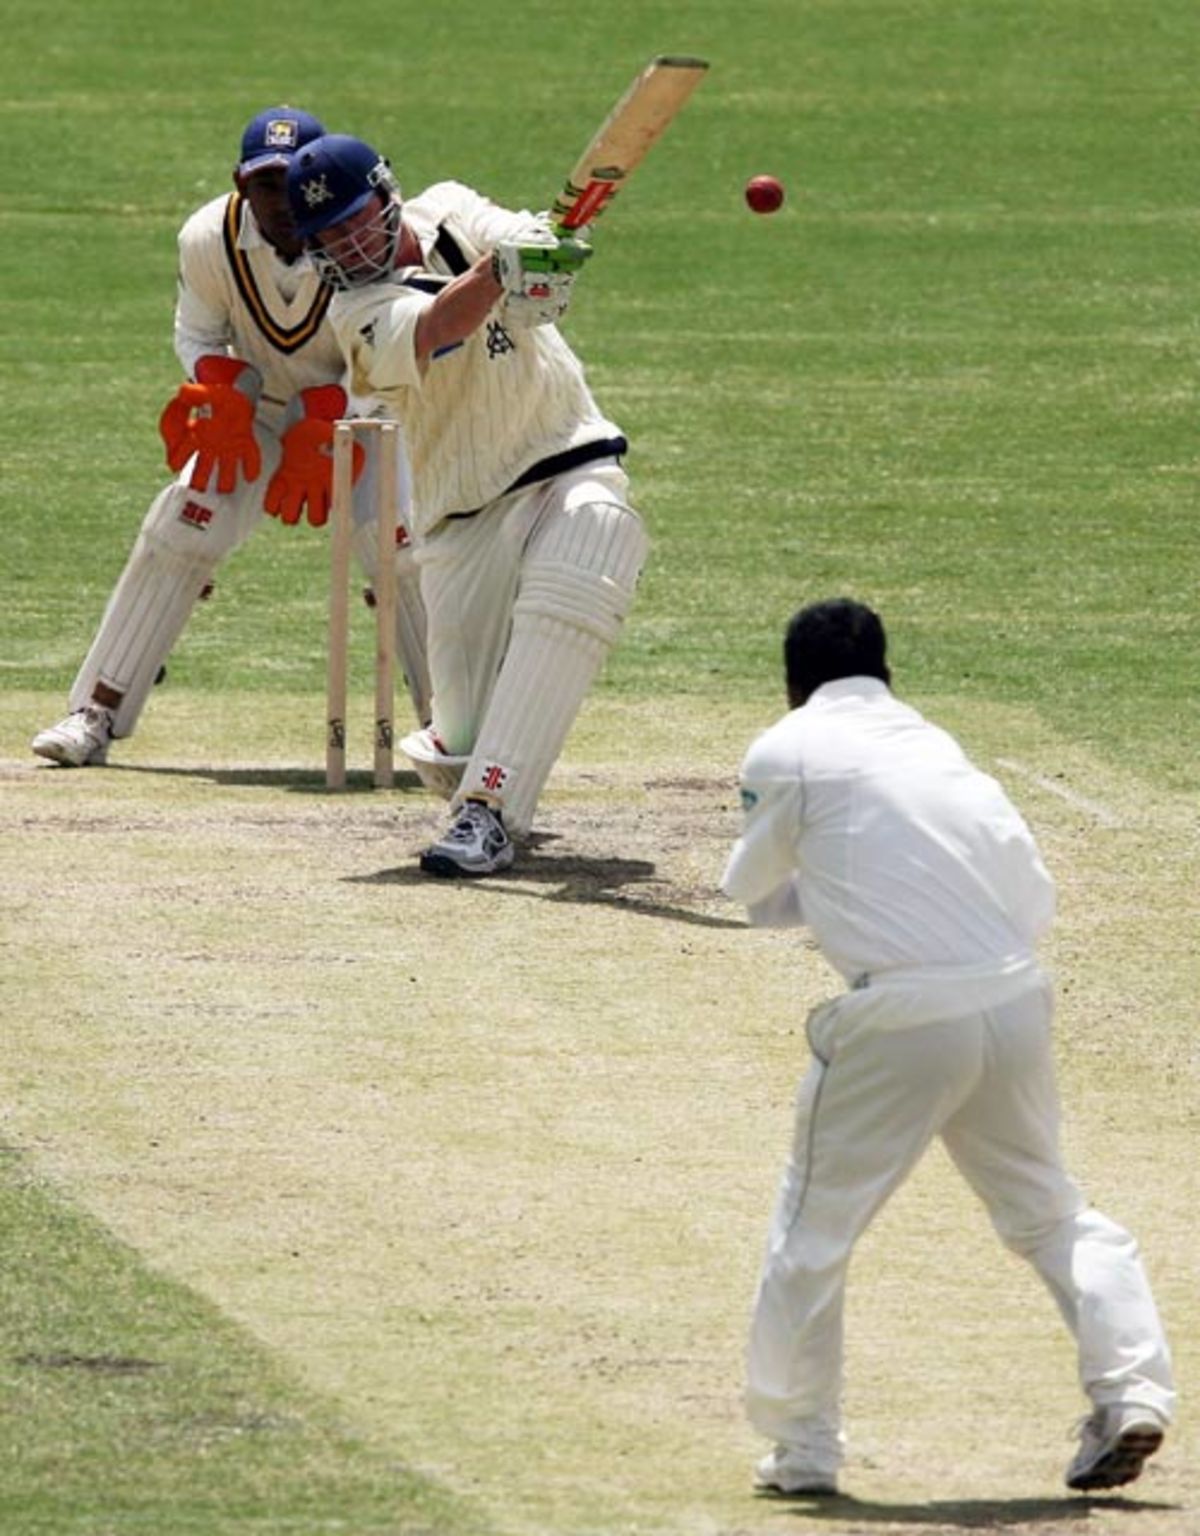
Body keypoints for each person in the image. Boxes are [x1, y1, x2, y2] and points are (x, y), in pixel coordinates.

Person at [722, 598, 1174, 1497]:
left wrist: (845, 892)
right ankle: (1132, 1392)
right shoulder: (938, 747)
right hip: (1011, 998)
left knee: (811, 1233)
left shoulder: (787, 745)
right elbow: (1031, 896)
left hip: (897, 1018)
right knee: (1052, 1211)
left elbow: (751, 888)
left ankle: (802, 1450)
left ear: (791, 680)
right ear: (887, 674)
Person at [283, 132, 648, 877]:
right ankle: (471, 769)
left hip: (563, 449)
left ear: (387, 196)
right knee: (466, 738)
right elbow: (442, 326)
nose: (351, 244)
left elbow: (517, 239)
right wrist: (503, 274)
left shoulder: (447, 206)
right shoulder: (353, 315)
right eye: (330, 237)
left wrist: (541, 253)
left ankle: (488, 816)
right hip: (462, 517)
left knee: (596, 540)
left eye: (357, 219)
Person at [32, 106, 430, 769]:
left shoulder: (361, 238)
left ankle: (451, 729)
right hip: (261, 416)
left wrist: (334, 418)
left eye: (294, 185)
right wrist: (219, 391)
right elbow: (196, 333)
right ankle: (95, 710)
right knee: (183, 523)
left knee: (396, 545)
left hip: (361, 415)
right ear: (239, 184)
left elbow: (391, 352)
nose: (281, 204)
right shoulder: (206, 238)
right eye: (264, 186)